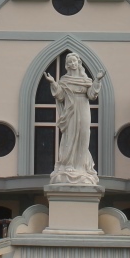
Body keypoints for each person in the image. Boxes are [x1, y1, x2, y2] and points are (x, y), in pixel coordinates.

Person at [44, 52, 103, 185]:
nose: (72, 63)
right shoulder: (64, 80)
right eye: (70, 62)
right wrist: (53, 82)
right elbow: (60, 96)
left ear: (78, 62)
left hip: (83, 108)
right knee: (70, 136)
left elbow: (92, 95)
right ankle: (68, 164)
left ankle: (81, 167)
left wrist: (97, 80)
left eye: (74, 61)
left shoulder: (86, 80)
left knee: (84, 135)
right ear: (67, 65)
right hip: (70, 110)